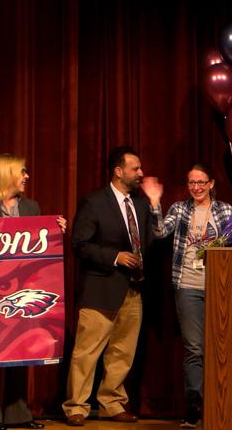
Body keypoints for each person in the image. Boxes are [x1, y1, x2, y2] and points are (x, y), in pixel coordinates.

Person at [0, 153, 66, 430]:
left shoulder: (31, 207)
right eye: (22, 171)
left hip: (22, 288)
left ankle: (18, 414)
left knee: (19, 347)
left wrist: (56, 231)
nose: (26, 177)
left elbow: (40, 245)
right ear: (7, 173)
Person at [141, 164, 232, 428]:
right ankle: (195, 407)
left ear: (211, 184)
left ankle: (221, 405)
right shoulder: (180, 209)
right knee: (194, 348)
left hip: (220, 287)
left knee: (220, 348)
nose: (196, 187)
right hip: (187, 286)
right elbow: (160, 232)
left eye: (201, 182)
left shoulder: (224, 210)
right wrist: (154, 202)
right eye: (191, 182)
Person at [63, 146, 153, 427]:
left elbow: (148, 240)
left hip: (133, 289)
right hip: (100, 289)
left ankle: (111, 402)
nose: (140, 173)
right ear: (118, 171)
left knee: (122, 352)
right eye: (135, 168)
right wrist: (115, 257)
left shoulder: (140, 203)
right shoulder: (94, 202)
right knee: (87, 351)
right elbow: (80, 244)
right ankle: (77, 405)